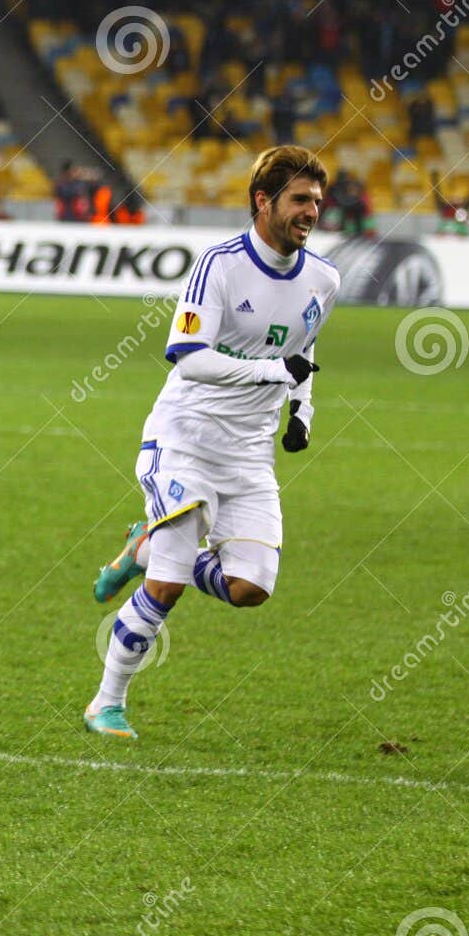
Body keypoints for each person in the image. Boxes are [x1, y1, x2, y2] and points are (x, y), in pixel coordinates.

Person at [85, 146, 339, 740]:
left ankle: (140, 547)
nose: (311, 212)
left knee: (251, 588)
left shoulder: (323, 278)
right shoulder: (220, 264)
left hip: (249, 454)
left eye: (318, 203)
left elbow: (306, 354)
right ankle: (106, 703)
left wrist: (303, 410)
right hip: (186, 439)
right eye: (300, 200)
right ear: (263, 201)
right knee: (169, 583)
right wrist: (275, 376)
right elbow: (188, 357)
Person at [431, 167, 469, 235]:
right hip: (456, 213)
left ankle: (434, 176)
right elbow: (463, 230)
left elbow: (440, 231)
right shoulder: (461, 230)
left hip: (448, 213)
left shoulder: (445, 228)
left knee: (437, 197)